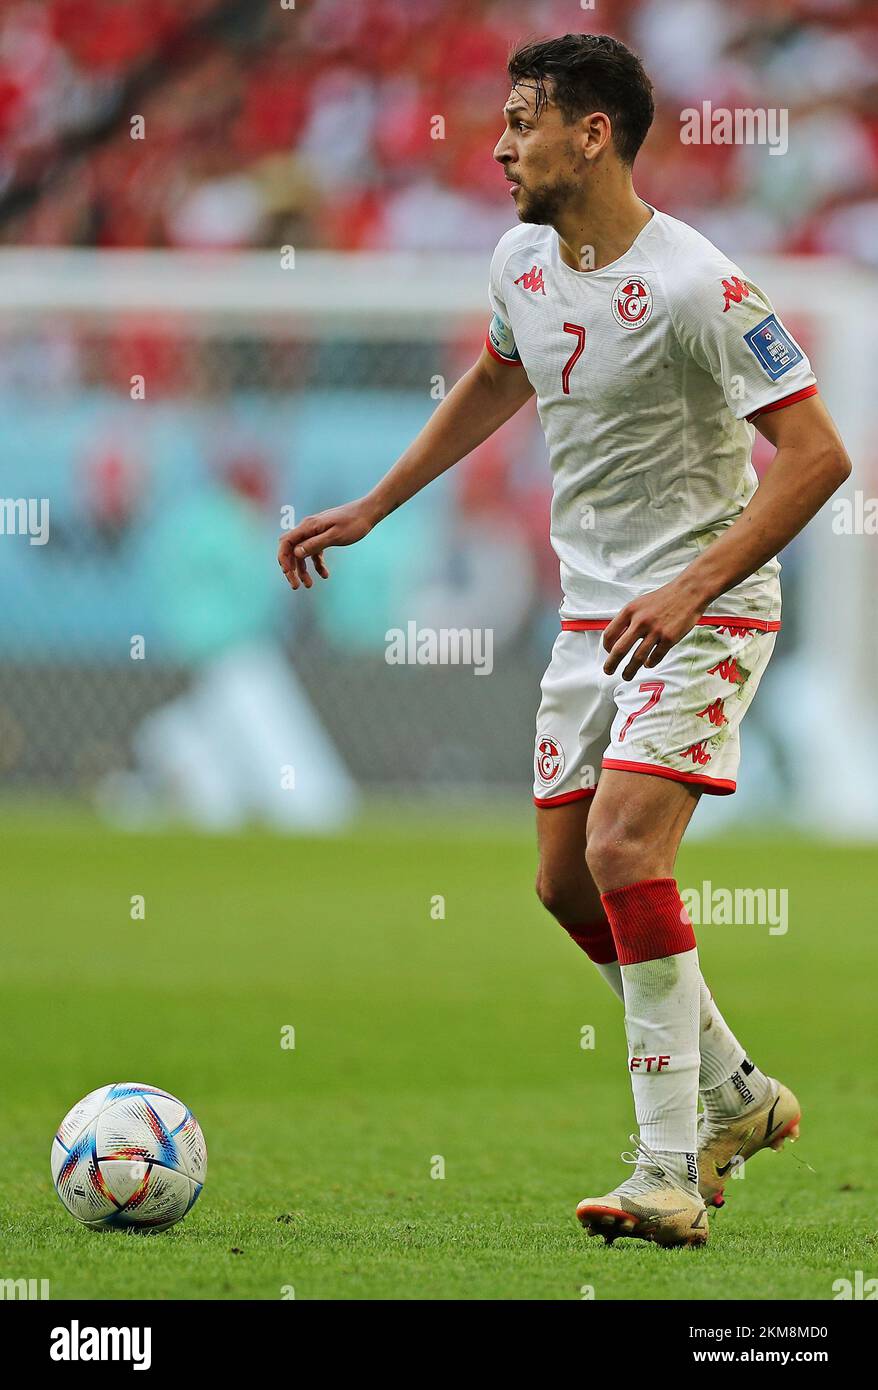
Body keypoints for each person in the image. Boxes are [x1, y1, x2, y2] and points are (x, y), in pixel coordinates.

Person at [277, 33, 851, 1247]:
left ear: (591, 133)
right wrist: (376, 504)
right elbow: (499, 376)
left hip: (701, 609)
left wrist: (693, 585)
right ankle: (736, 1092)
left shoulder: (701, 285)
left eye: (521, 122)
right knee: (560, 883)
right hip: (592, 617)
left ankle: (667, 1172)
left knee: (625, 853)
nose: (495, 146)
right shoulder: (517, 261)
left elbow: (818, 457)